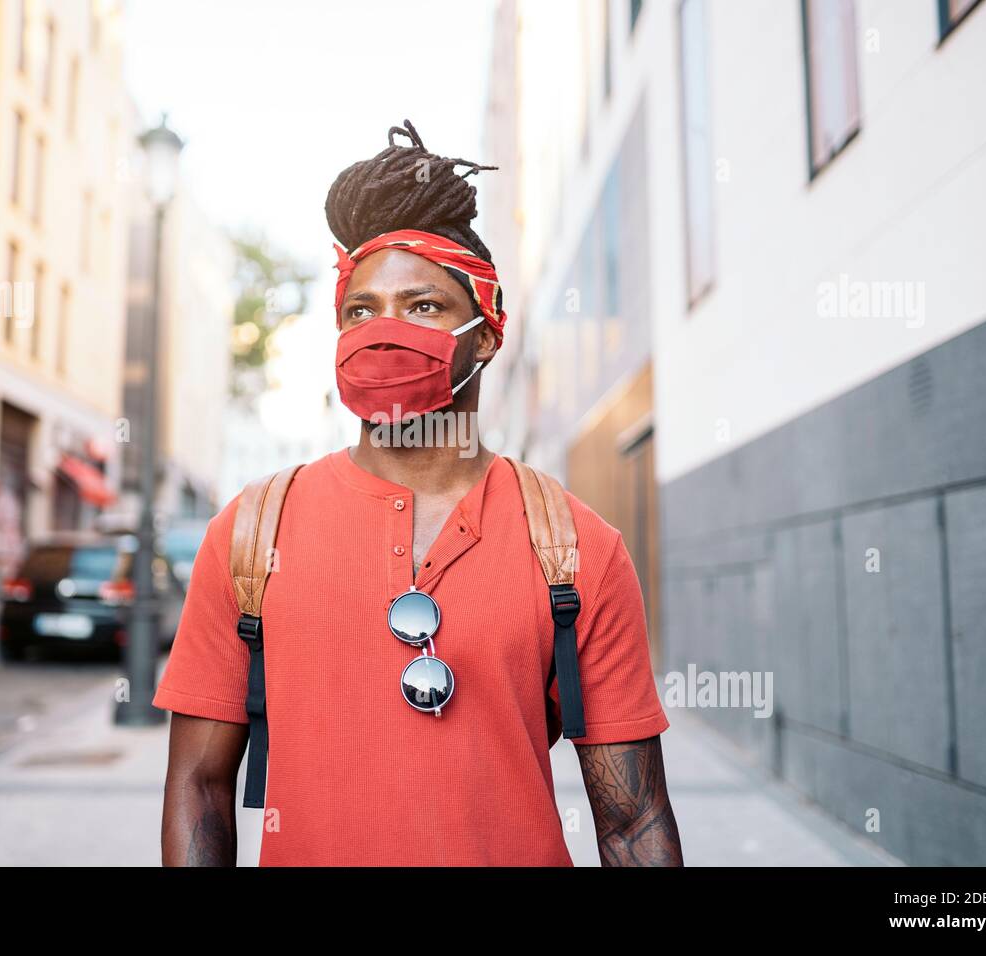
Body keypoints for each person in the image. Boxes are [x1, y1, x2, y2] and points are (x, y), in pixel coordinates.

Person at [155, 120, 681, 867]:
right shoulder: (249, 532)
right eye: (360, 311)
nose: (383, 332)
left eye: (423, 306)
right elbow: (199, 787)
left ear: (487, 331)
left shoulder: (575, 546)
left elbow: (633, 821)